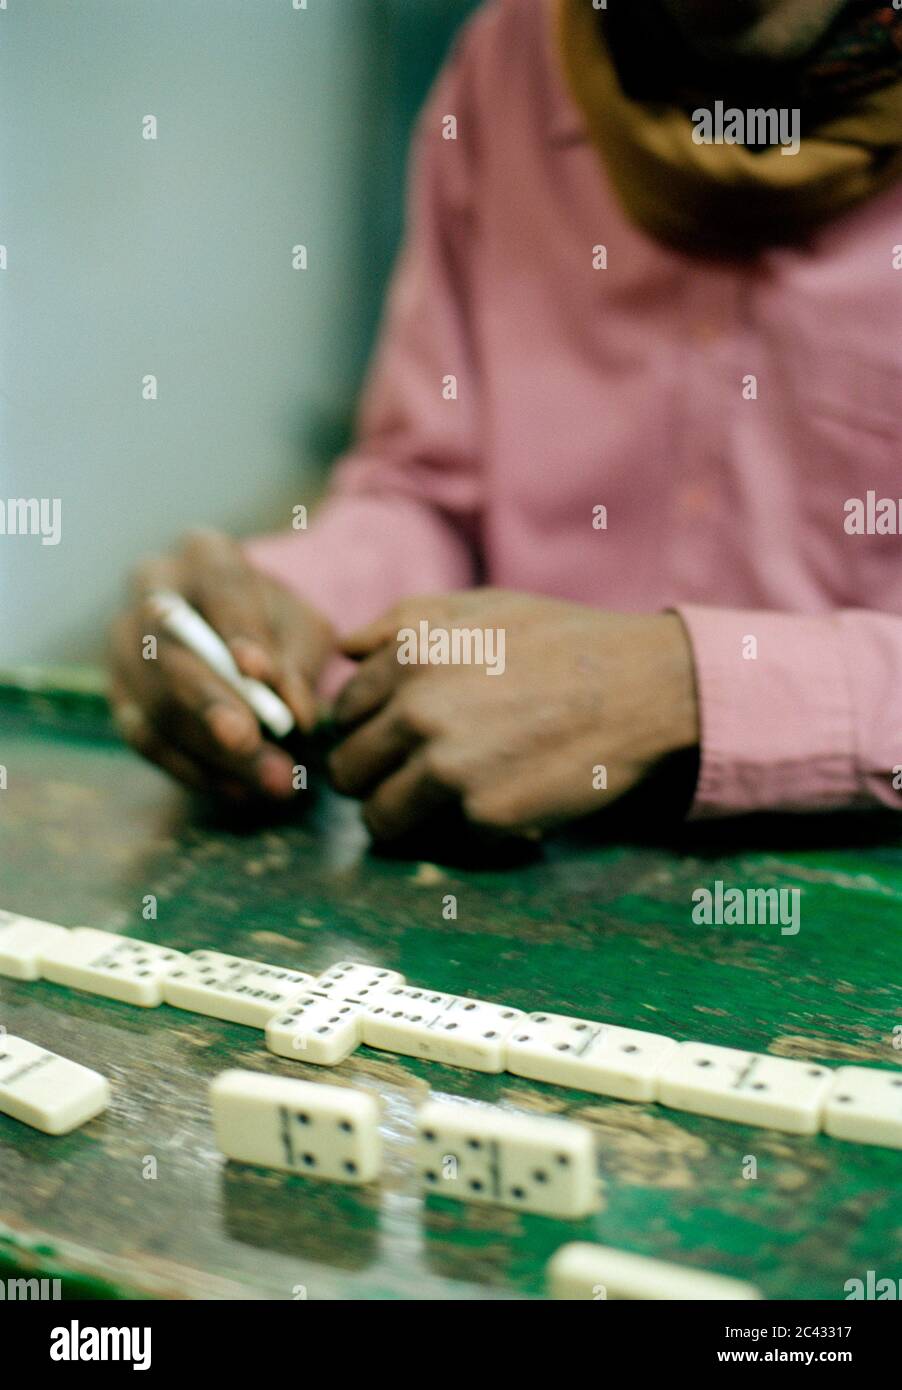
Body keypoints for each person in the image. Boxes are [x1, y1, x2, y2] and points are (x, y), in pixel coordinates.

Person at [109, 0, 902, 843]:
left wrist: (682, 692)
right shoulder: (515, 57)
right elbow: (431, 493)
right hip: (505, 880)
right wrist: (276, 620)